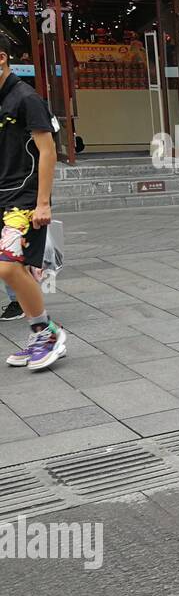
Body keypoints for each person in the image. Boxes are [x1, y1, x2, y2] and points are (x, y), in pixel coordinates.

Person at [0, 37, 65, 370]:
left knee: (8, 266)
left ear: (1, 58)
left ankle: (47, 334)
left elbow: (48, 151)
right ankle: (42, 331)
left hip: (23, 198)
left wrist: (43, 204)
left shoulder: (27, 98)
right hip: (2, 196)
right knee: (18, 271)